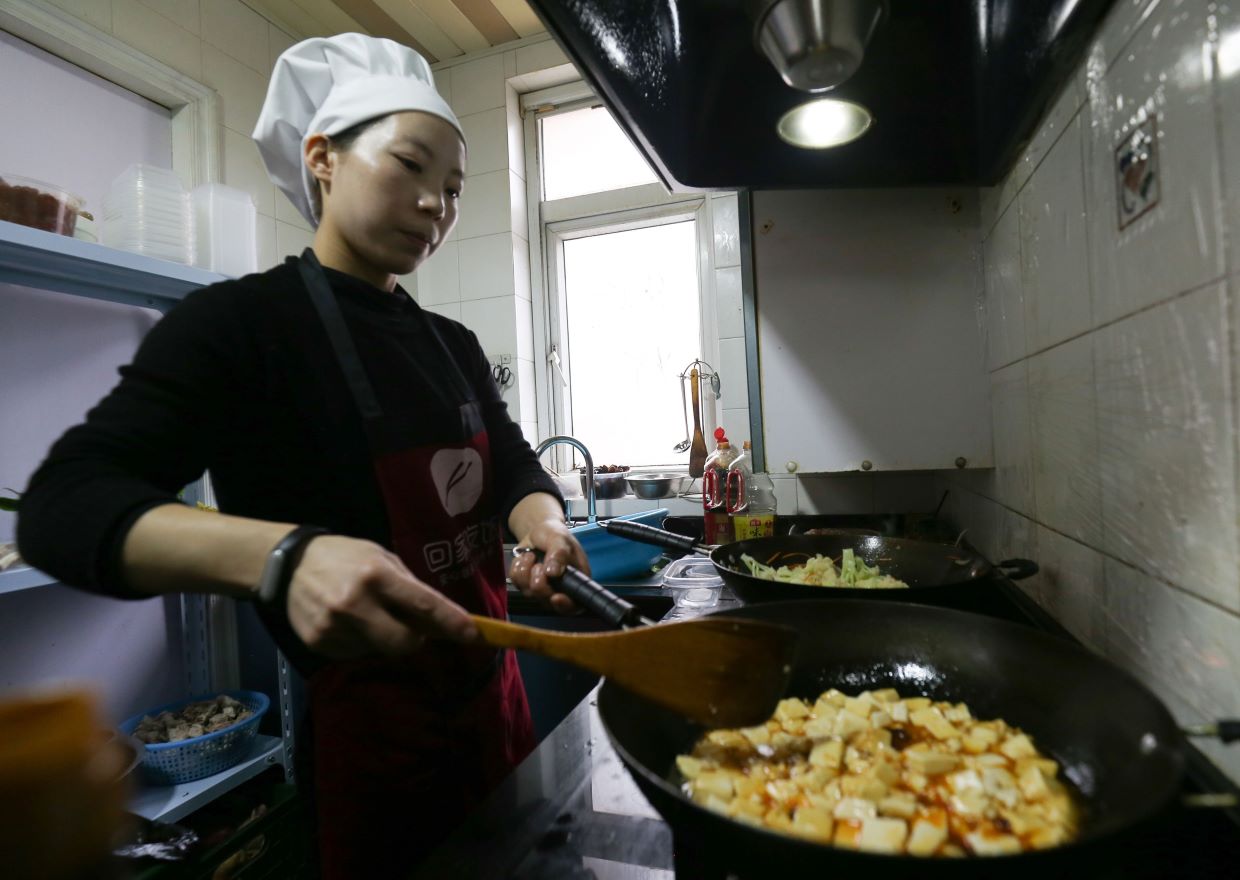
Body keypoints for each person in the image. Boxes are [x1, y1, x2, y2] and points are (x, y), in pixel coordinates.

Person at [16, 33, 587, 878]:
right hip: (375, 750)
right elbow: (62, 509)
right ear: (322, 156)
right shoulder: (242, 328)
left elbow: (508, 462)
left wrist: (541, 520)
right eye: (410, 165)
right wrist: (283, 557)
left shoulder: (450, 343)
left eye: (454, 187)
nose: (436, 203)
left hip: (494, 708)